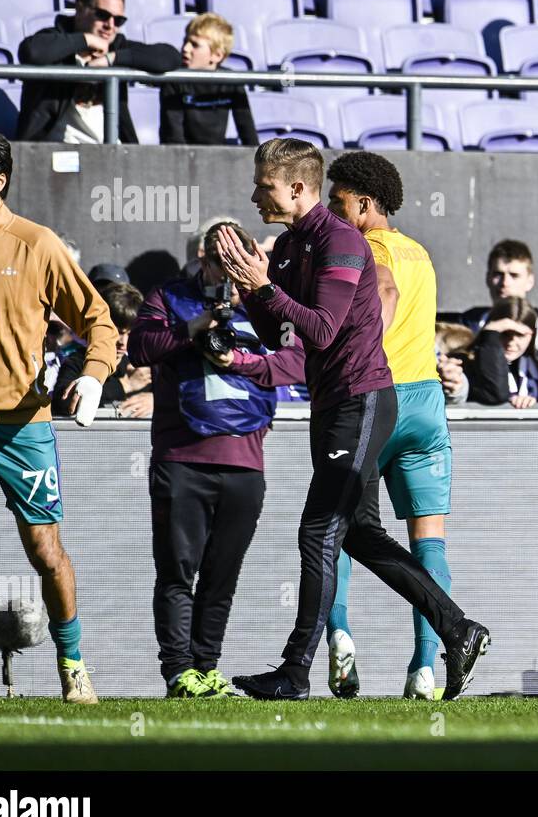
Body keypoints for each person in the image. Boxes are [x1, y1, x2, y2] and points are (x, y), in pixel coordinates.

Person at [212, 138, 489, 701]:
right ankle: (458, 629)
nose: (253, 194)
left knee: (318, 531)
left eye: (263, 185)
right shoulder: (290, 247)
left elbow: (321, 329)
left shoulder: (342, 240)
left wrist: (265, 287)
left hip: (364, 400)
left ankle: (295, 671)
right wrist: (252, 296)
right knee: (360, 534)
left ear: (297, 188)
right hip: (333, 402)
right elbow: (284, 336)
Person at [0, 127, 119, 703]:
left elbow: (100, 321)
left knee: (46, 551)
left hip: (22, 423)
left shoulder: (37, 244)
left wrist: (93, 375)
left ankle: (73, 664)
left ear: (0, 180)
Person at [128, 219, 306, 698]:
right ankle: (178, 670)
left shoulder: (268, 303)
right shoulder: (170, 295)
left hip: (246, 461)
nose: (227, 273)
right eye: (218, 262)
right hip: (181, 457)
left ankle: (206, 667)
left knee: (222, 575)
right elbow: (140, 347)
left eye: (236, 262)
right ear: (201, 259)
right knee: (177, 571)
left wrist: (242, 360)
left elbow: (297, 359)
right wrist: (196, 327)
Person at [322, 151, 468, 701]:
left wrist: (358, 351)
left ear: (363, 202)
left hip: (378, 397)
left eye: (337, 202)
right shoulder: (420, 251)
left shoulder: (365, 246)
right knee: (429, 541)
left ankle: (339, 635)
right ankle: (425, 668)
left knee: (334, 529)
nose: (333, 212)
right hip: (427, 403)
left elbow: (383, 292)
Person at [16, 0, 181, 143]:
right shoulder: (55, 40)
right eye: (103, 15)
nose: (110, 25)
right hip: (57, 153)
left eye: (118, 20)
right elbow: (31, 52)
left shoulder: (117, 47)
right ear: (80, 10)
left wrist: (112, 58)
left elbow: (170, 57)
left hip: (111, 153)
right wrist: (86, 40)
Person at [52, 281, 153, 420]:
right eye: (117, 332)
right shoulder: (78, 362)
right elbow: (62, 404)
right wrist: (124, 386)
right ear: (100, 327)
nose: (122, 342)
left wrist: (155, 400)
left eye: (130, 333)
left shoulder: (142, 369)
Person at [160, 13, 259, 146]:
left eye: (194, 45)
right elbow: (173, 138)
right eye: (185, 41)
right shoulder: (174, 80)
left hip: (216, 158)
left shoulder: (231, 81)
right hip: (182, 159)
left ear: (217, 55)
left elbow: (248, 132)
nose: (185, 48)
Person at [464, 298, 538, 407]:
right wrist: (491, 333)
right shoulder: (468, 364)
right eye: (505, 334)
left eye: (520, 335)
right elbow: (496, 392)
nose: (511, 342)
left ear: (533, 335)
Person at [459, 239, 537, 333]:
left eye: (514, 275)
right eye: (498, 274)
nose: (505, 283)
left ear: (530, 282)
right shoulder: (467, 323)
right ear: (488, 278)